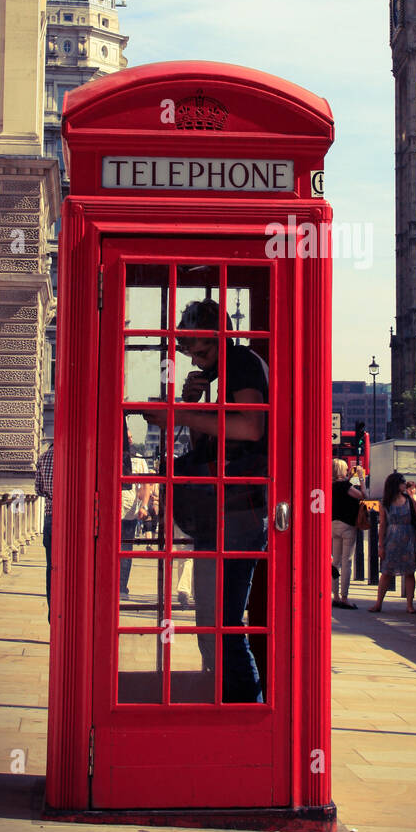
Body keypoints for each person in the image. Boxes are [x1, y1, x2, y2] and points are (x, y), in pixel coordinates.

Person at [175, 299, 268, 702]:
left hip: (241, 510)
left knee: (226, 625)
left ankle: (248, 709)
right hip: (221, 511)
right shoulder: (219, 374)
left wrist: (181, 415)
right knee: (211, 620)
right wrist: (193, 405)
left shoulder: (243, 363)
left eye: (204, 350)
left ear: (224, 334)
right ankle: (224, 702)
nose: (198, 359)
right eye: (191, 353)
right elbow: (210, 447)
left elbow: (249, 427)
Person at [369, 471, 416, 615]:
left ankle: (409, 605)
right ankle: (378, 603)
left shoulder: (409, 500)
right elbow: (382, 525)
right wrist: (380, 545)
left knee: (409, 572)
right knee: (387, 572)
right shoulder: (385, 503)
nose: (404, 484)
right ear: (396, 485)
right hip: (392, 538)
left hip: (408, 537)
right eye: (402, 482)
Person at [120, 426, 152, 601]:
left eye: (131, 437)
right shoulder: (112, 455)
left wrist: (144, 506)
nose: (130, 440)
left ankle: (122, 587)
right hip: (109, 512)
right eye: (128, 437)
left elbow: (146, 484)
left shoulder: (139, 460)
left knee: (126, 552)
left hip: (130, 513)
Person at [331, 459, 365, 608]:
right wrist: (361, 478)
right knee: (347, 562)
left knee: (335, 562)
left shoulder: (330, 485)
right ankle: (344, 597)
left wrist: (352, 478)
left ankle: (336, 596)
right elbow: (363, 494)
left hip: (333, 525)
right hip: (347, 525)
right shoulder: (345, 486)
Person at [35, 440, 54, 620]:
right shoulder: (71, 453)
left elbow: (38, 489)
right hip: (72, 517)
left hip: (50, 517)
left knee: (51, 567)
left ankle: (52, 610)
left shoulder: (43, 457)